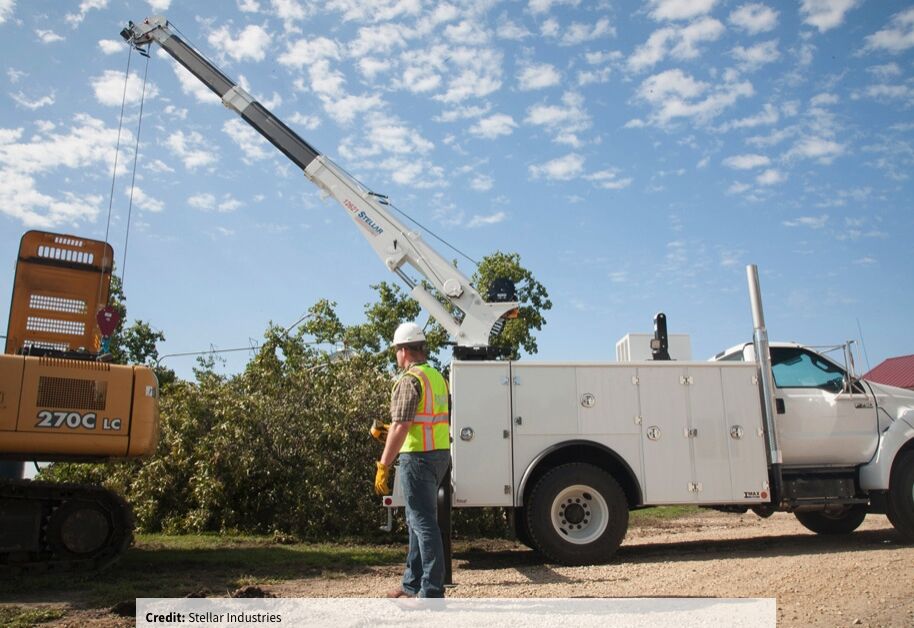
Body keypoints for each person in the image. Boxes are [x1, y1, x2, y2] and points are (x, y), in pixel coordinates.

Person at [374, 321, 451, 598]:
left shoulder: (410, 379)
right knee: (417, 521)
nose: (396, 356)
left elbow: (402, 426)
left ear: (404, 350)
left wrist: (383, 464)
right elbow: (424, 420)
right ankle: (412, 585)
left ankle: (430, 591)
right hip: (439, 455)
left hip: (418, 458)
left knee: (422, 523)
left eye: (396, 350)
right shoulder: (437, 377)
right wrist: (389, 430)